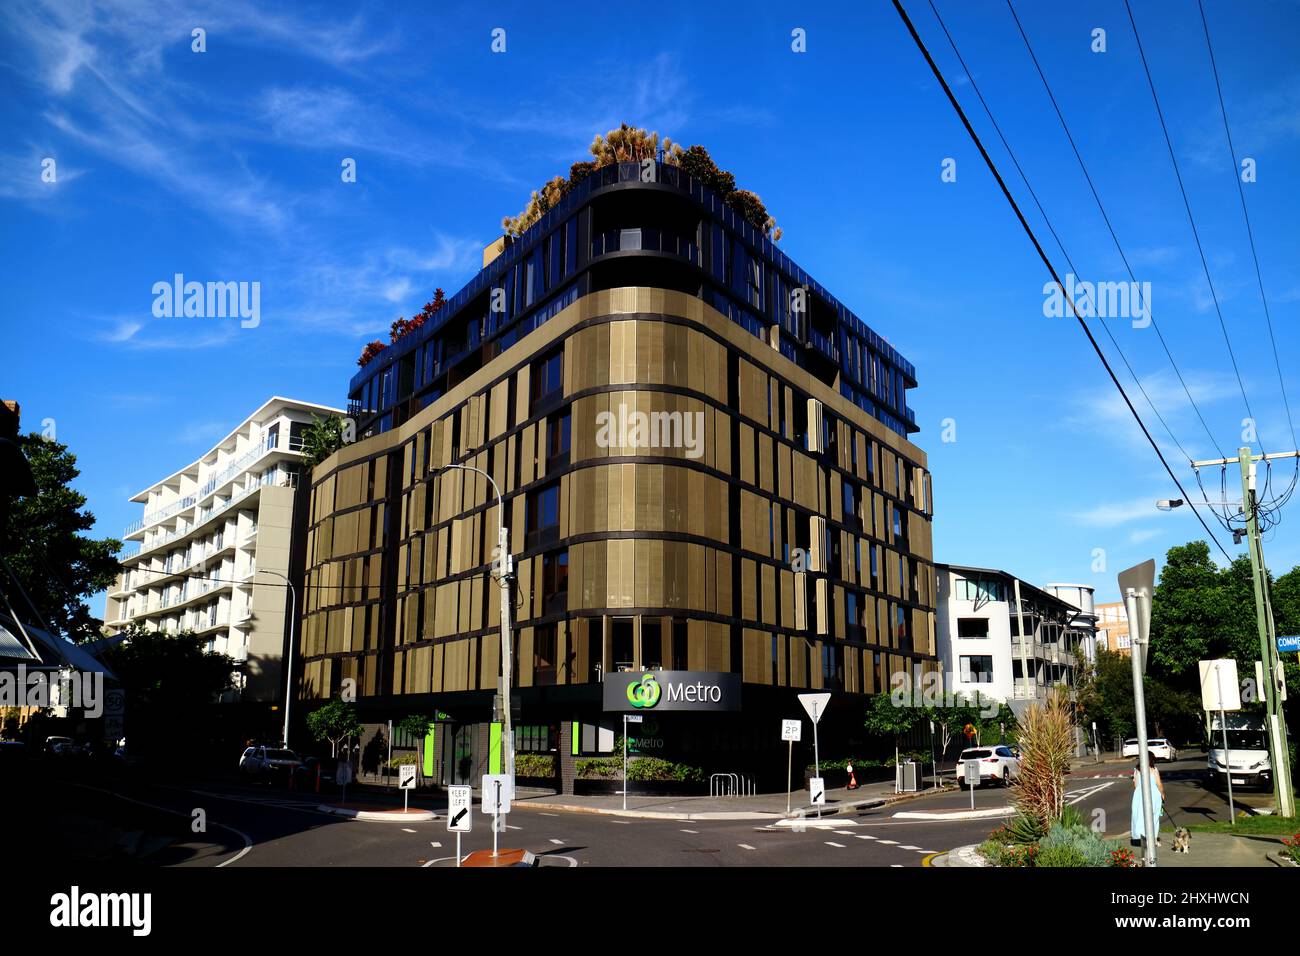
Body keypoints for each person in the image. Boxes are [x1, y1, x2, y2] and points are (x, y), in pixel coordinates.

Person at [1130, 751, 1166, 849]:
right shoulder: (1154, 770)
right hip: (1154, 795)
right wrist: (1162, 794)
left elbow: (1135, 785)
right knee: (1154, 817)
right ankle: (1153, 839)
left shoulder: (1137, 770)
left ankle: (1142, 837)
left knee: (1139, 816)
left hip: (1139, 795)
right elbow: (1159, 784)